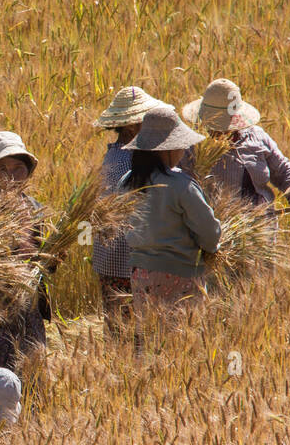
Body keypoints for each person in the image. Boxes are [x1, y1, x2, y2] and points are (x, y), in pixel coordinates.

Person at [122, 105, 221, 339]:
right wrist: (212, 250)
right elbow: (210, 233)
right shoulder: (180, 185)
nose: (184, 150)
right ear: (166, 149)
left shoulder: (127, 182)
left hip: (141, 276)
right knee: (183, 342)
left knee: (151, 339)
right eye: (180, 145)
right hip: (181, 275)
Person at [0, 131, 51, 394]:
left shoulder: (36, 209)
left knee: (33, 381)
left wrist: (51, 260)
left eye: (19, 169)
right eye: (3, 170)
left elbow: (43, 263)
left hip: (30, 311)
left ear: (28, 173)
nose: (12, 176)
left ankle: (29, 430)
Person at [182, 78, 290, 218]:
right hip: (214, 232)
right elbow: (178, 188)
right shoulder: (192, 147)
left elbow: (283, 170)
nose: (219, 132)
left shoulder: (257, 137)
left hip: (262, 229)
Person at [91, 87, 163, 334]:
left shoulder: (118, 155)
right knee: (129, 332)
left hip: (114, 259)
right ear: (132, 127)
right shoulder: (127, 161)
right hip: (123, 260)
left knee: (123, 330)